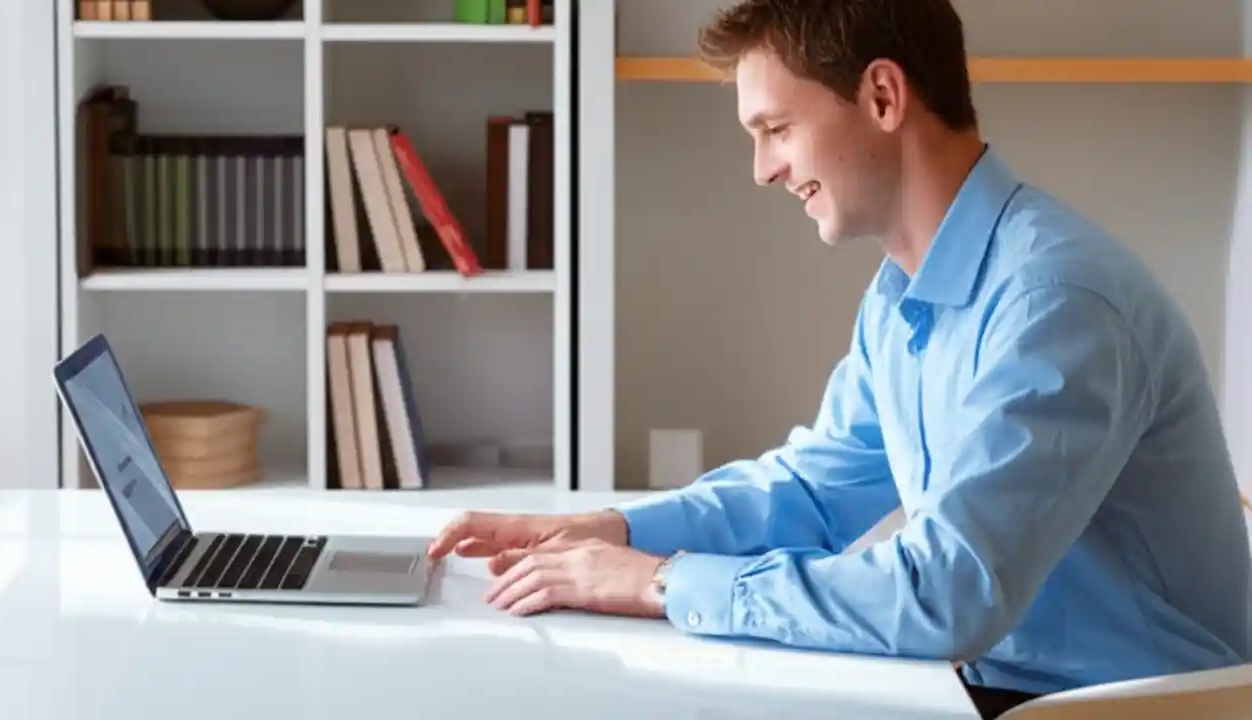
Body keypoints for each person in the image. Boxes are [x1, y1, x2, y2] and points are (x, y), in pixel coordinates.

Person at [428, 0, 1252, 717]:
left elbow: (944, 597)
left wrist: (660, 581)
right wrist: (610, 532)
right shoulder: (904, 295)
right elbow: (814, 491)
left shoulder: (1056, 303)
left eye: (776, 129)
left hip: (1126, 708)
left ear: (883, 96)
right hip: (994, 685)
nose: (764, 170)